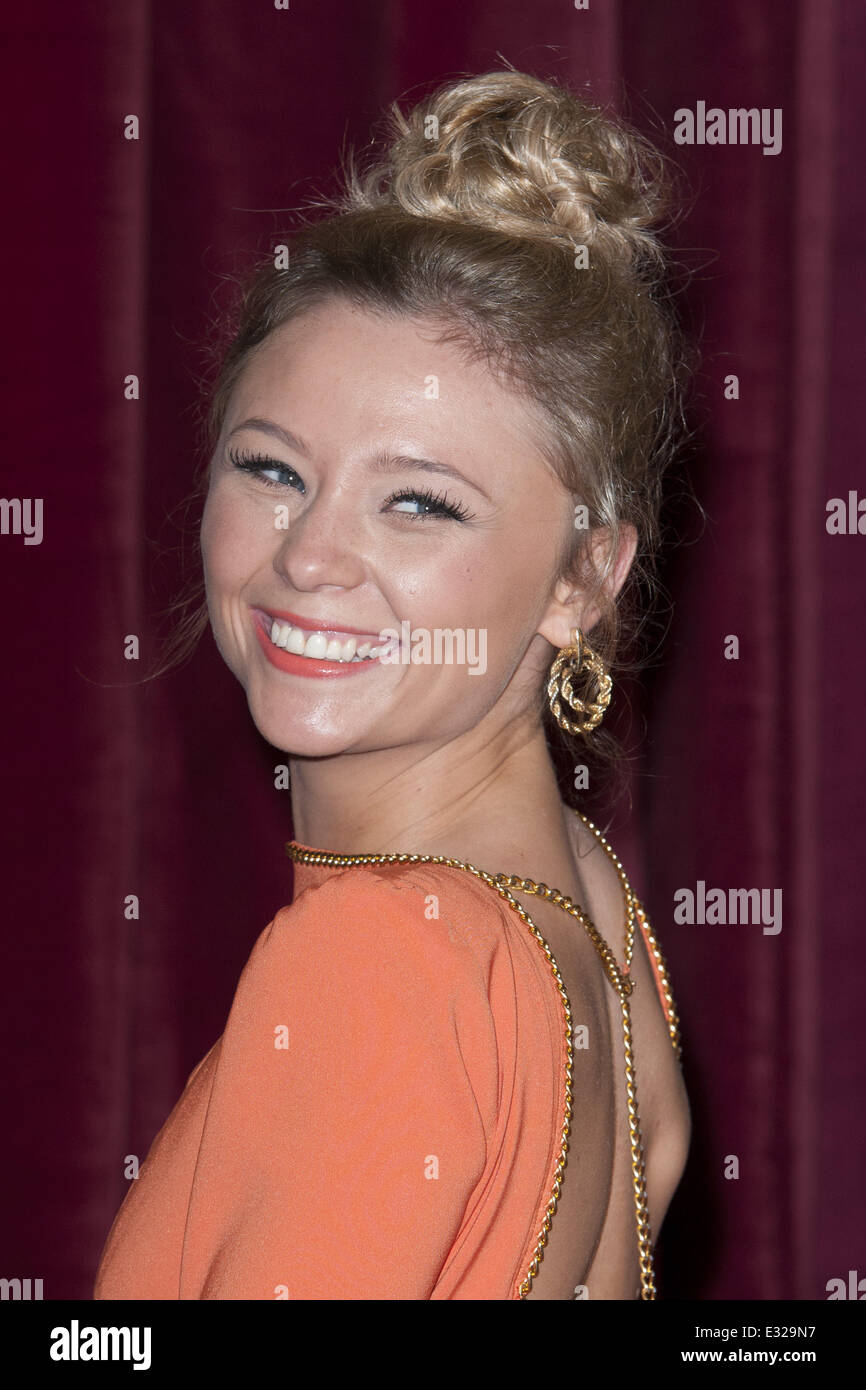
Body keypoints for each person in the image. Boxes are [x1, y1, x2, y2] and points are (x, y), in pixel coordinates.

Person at [94, 66, 693, 1301]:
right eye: (271, 470)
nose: (309, 554)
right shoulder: (583, 896)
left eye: (417, 501)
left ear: (582, 577)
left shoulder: (378, 958)